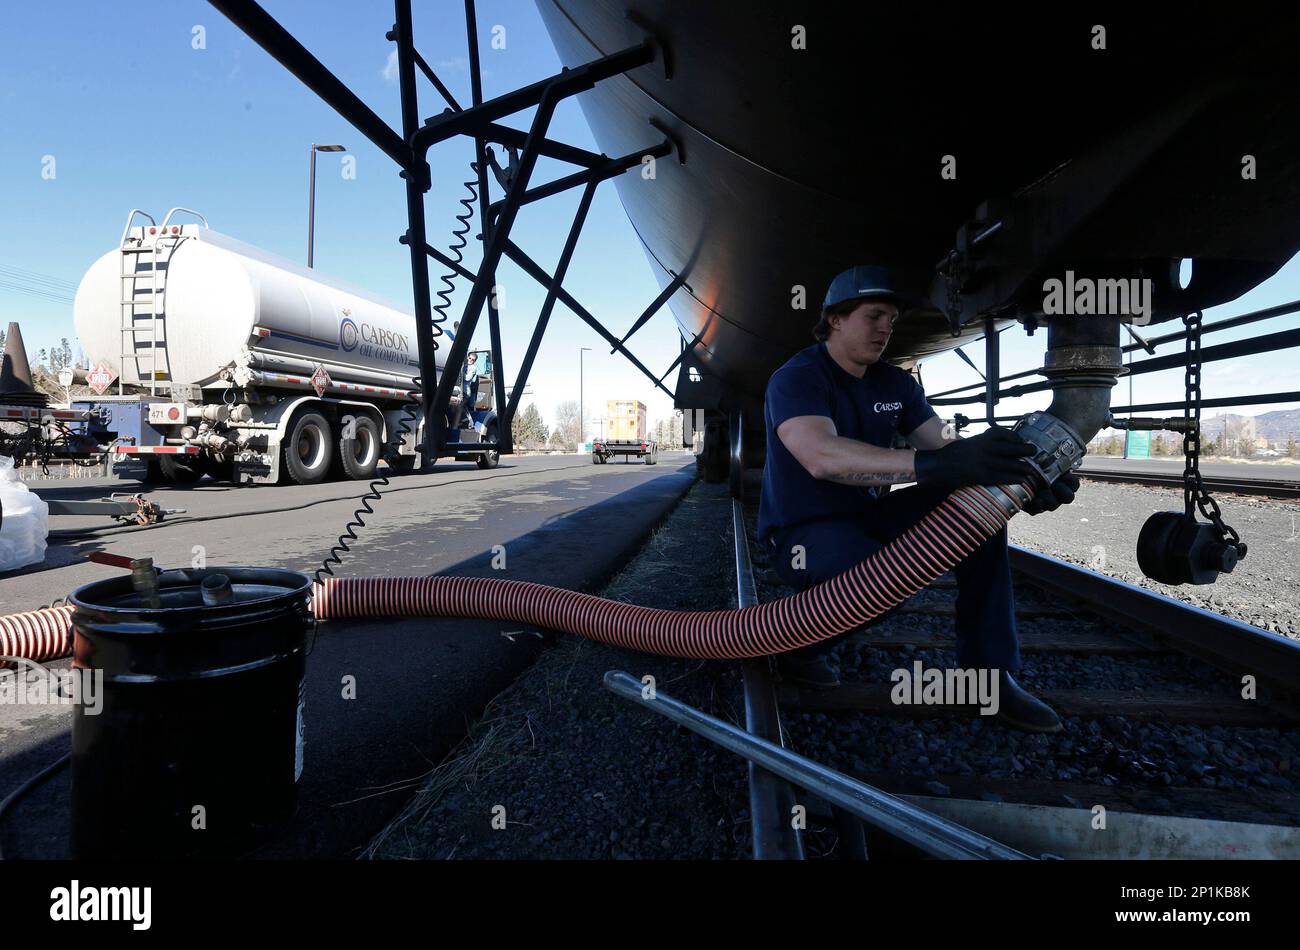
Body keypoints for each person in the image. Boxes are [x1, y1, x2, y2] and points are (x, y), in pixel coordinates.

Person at [757, 264, 1079, 732]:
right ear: (835, 320)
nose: (887, 327)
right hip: (802, 534)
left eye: (891, 317)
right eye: (874, 315)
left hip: (866, 516)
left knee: (979, 510)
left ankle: (988, 677)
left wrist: (1019, 473)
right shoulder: (799, 377)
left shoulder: (897, 385)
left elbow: (946, 444)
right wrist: (933, 467)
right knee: (881, 581)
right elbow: (821, 456)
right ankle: (797, 647)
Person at [461, 352, 480, 429]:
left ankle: (470, 423)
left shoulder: (473, 368)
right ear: (467, 357)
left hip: (465, 391)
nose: (471, 360)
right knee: (461, 409)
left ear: (475, 361)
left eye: (473, 360)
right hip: (461, 390)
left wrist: (460, 373)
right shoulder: (464, 365)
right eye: (470, 358)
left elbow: (468, 378)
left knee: (463, 408)